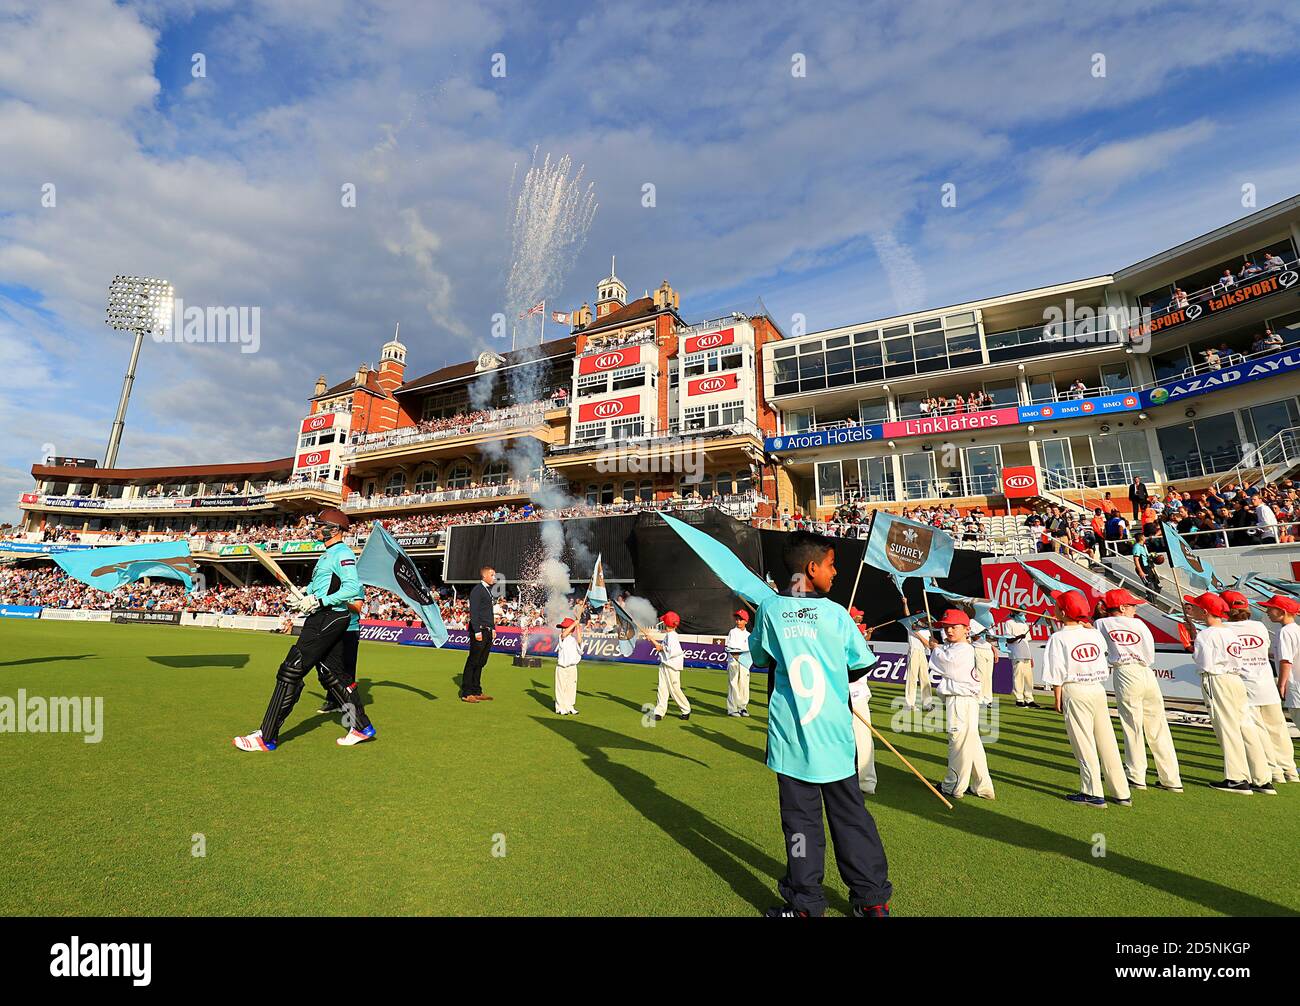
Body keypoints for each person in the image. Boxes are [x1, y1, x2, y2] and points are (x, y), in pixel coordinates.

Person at [748, 531, 892, 917]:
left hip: (792, 741)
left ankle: (807, 903)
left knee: (800, 827)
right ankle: (873, 900)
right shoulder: (837, 614)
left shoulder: (769, 609)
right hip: (836, 740)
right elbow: (859, 665)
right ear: (812, 569)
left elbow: (761, 658)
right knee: (852, 820)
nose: (836, 571)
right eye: (831, 564)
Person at [233, 508, 376, 751]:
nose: (316, 528)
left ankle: (266, 737)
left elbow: (352, 587)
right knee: (333, 674)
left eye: (321, 525)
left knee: (291, 670)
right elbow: (320, 585)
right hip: (324, 616)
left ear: (334, 529)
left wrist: (320, 601)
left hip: (327, 617)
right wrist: (305, 596)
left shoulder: (342, 553)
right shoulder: (328, 554)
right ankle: (361, 726)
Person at [1042, 590, 1131, 807]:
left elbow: (1056, 672)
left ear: (1062, 612)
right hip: (1097, 689)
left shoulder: (1058, 637)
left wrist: (1057, 699)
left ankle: (1092, 792)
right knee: (1107, 740)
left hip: (1075, 689)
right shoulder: (1093, 633)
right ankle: (1121, 792)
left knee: (1083, 742)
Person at [1185, 592, 1274, 794]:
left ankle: (1236, 778)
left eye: (1197, 607)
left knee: (1227, 727)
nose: (1194, 609)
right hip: (1235, 679)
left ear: (1205, 611)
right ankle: (1262, 778)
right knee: (1245, 726)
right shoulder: (1228, 632)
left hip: (1217, 679)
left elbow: (1203, 662)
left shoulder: (1207, 635)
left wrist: (1195, 641)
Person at [1094, 588, 1181, 792]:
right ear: (1122, 607)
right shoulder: (1139, 624)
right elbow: (1150, 655)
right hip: (1145, 671)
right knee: (1158, 725)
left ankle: (1136, 775)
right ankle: (1171, 778)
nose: (1135, 609)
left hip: (1125, 672)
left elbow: (1099, 644)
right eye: (1132, 606)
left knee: (1132, 725)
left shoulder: (1101, 623)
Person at [1221, 591, 1296, 784]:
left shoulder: (1224, 629)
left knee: (1258, 731)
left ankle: (1275, 770)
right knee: (1278, 728)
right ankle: (1289, 769)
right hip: (1266, 682)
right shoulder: (1260, 626)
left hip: (1246, 685)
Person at [927, 609, 994, 800]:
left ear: (966, 629)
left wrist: (935, 649)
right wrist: (937, 647)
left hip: (960, 701)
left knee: (957, 744)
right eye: (946, 627)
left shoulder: (963, 649)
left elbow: (948, 666)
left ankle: (952, 786)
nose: (949, 631)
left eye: (954, 627)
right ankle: (983, 786)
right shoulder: (959, 648)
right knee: (972, 744)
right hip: (964, 700)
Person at [1264, 594, 1300, 735]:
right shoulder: (1297, 629)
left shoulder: (1284, 632)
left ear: (1282, 612)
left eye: (1270, 609)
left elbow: (1286, 661)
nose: (1267, 612)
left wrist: (1281, 684)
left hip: (1295, 687)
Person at [644, 611, 691, 721]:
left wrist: (657, 645)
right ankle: (659, 711)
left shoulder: (672, 636)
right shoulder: (669, 635)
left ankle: (686, 709)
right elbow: (663, 648)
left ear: (666, 623)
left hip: (672, 666)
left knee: (674, 690)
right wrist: (654, 641)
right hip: (665, 664)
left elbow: (671, 651)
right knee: (662, 688)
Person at [461, 565, 497, 703]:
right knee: (473, 661)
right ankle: (466, 692)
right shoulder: (478, 590)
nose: (494, 577)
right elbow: (474, 612)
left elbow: (488, 612)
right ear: (484, 576)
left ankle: (477, 690)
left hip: (487, 629)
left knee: (481, 661)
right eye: (492, 575)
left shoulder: (487, 591)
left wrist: (493, 628)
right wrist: (476, 630)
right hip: (480, 629)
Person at [1005, 611, 1037, 707]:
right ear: (1016, 614)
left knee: (1028, 678)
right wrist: (1019, 636)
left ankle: (1029, 699)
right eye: (1022, 614)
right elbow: (1008, 639)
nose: (1024, 617)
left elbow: (1027, 641)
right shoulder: (1009, 623)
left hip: (1026, 654)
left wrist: (1030, 656)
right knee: (1018, 676)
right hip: (1016, 653)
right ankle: (1019, 699)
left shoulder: (1025, 624)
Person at [553, 615, 582, 716]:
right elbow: (564, 635)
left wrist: (577, 627)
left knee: (571, 687)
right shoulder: (562, 637)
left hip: (572, 667)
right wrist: (574, 623)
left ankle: (570, 706)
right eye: (562, 628)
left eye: (565, 627)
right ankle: (560, 707)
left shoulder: (573, 640)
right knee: (561, 687)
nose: (563, 630)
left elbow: (579, 641)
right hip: (561, 667)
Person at [725, 609, 752, 717]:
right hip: (734, 661)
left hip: (745, 661)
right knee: (733, 684)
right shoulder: (733, 632)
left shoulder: (749, 634)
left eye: (741, 619)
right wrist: (738, 653)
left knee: (744, 685)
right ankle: (732, 708)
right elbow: (730, 646)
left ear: (745, 621)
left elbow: (749, 649)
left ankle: (742, 707)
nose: (738, 621)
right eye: (737, 619)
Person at [904, 622, 933, 712]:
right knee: (911, 679)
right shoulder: (910, 626)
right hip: (913, 651)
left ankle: (927, 704)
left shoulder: (926, 630)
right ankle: (910, 704)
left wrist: (918, 634)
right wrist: (905, 606)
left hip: (922, 652)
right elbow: (907, 615)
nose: (919, 622)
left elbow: (928, 645)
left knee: (925, 679)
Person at [971, 617, 995, 707]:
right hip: (978, 649)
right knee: (980, 674)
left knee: (988, 676)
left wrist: (994, 649)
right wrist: (982, 633)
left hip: (988, 650)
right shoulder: (972, 621)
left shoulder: (988, 621)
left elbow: (991, 639)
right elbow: (973, 637)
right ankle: (979, 698)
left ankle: (988, 699)